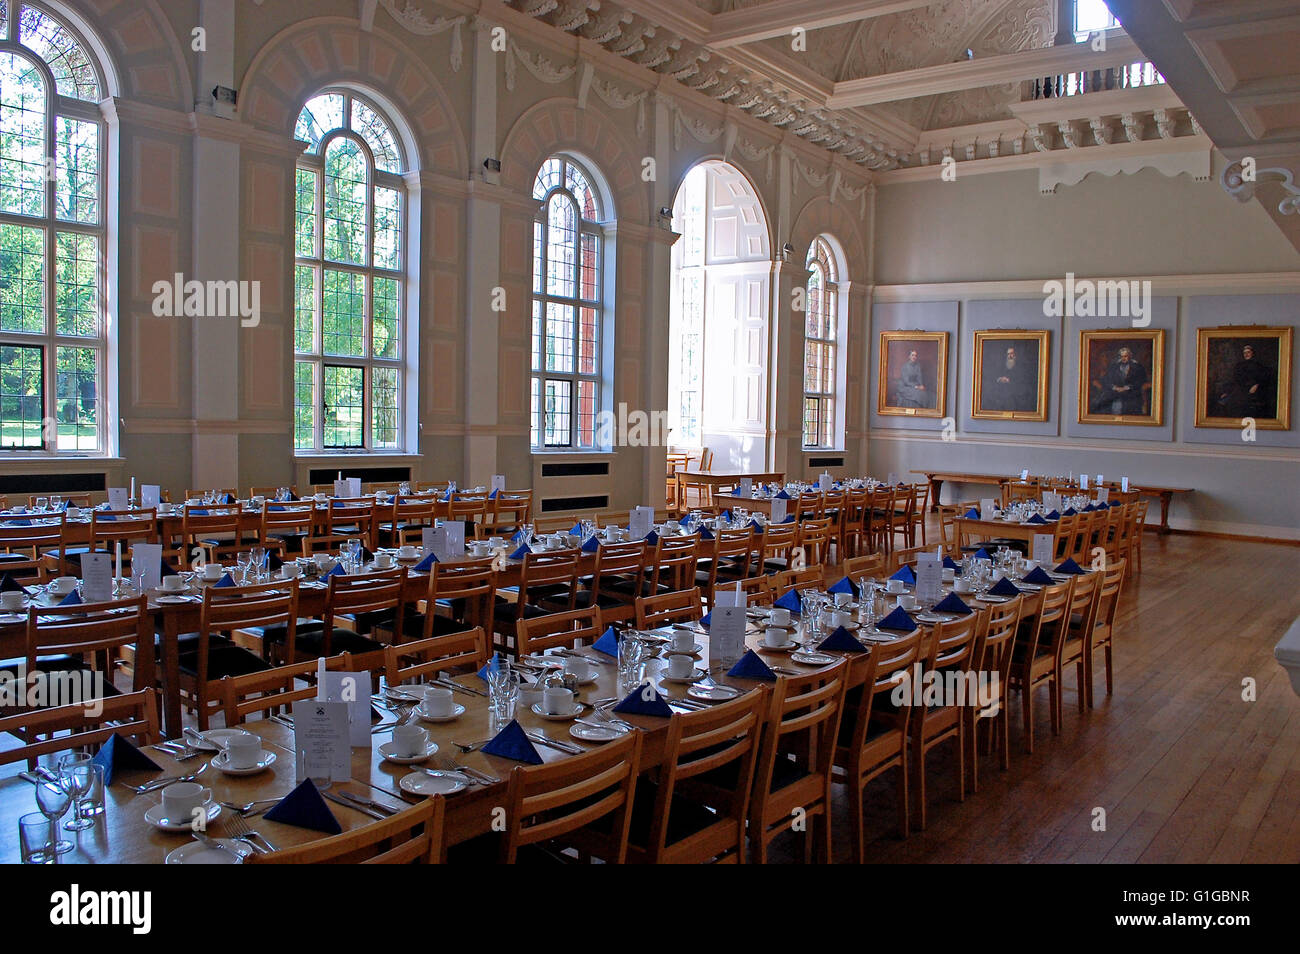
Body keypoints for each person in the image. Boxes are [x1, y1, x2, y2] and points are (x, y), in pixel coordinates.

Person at [1217, 343, 1275, 419]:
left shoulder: (1258, 365)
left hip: (1254, 391)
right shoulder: (1239, 365)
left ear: (1252, 353)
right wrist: (1227, 392)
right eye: (1244, 353)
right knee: (1225, 402)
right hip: (1241, 389)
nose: (1246, 354)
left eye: (1248, 352)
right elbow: (1235, 380)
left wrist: (1257, 385)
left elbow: (1264, 378)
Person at [1093, 345, 1148, 416]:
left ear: (1130, 356)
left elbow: (1141, 380)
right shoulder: (1114, 366)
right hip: (1116, 393)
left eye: (1125, 356)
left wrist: (1127, 387)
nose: (1123, 358)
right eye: (1122, 356)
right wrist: (1114, 387)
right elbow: (1107, 380)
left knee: (1131, 411)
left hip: (1132, 394)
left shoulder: (1137, 367)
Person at [984, 344, 1036, 412]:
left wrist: (1010, 380)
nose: (1010, 356)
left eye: (1012, 353)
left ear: (1015, 355)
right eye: (1008, 354)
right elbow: (994, 377)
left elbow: (1024, 381)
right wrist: (1000, 379)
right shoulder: (1003, 365)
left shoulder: (1022, 366)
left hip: (1017, 395)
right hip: (1002, 394)